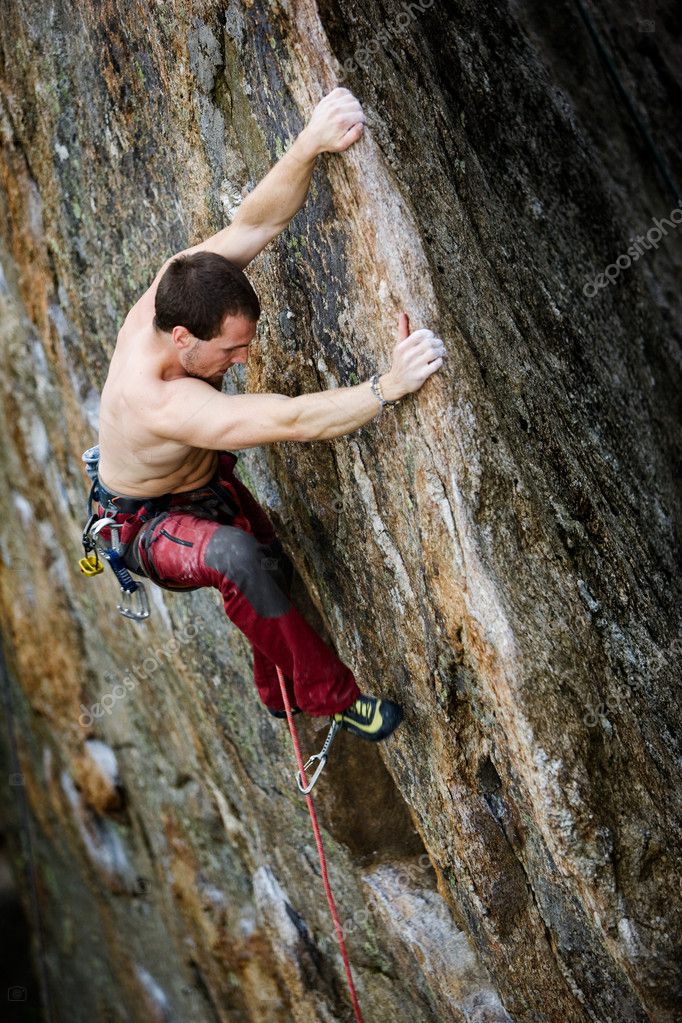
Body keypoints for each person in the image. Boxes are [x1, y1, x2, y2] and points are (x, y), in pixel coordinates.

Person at [92, 87, 446, 741]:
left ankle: (274, 690)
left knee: (270, 565)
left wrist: (310, 140)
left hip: (200, 481)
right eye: (232, 351)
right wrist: (388, 385)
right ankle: (331, 696)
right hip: (147, 523)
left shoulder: (183, 285)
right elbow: (289, 420)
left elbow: (255, 223)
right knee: (234, 555)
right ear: (183, 340)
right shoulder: (161, 399)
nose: (243, 360)